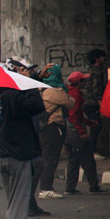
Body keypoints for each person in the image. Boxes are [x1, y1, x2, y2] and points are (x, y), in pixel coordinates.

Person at [0, 84, 45, 219]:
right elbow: (37, 106)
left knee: (13, 204)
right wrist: (31, 86)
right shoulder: (13, 97)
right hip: (18, 155)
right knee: (18, 205)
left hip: (5, 153)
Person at [36, 64, 75, 200]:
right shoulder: (55, 91)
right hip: (53, 126)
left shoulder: (40, 88)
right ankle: (46, 188)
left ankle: (45, 187)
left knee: (45, 157)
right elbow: (71, 103)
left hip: (43, 128)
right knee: (51, 158)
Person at [65, 72, 106, 194]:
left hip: (69, 132)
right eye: (82, 81)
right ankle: (94, 186)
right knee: (88, 159)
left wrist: (87, 122)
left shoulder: (70, 93)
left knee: (73, 160)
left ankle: (70, 188)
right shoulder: (75, 95)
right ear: (78, 82)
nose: (85, 83)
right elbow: (73, 115)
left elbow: (76, 114)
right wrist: (82, 131)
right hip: (75, 133)